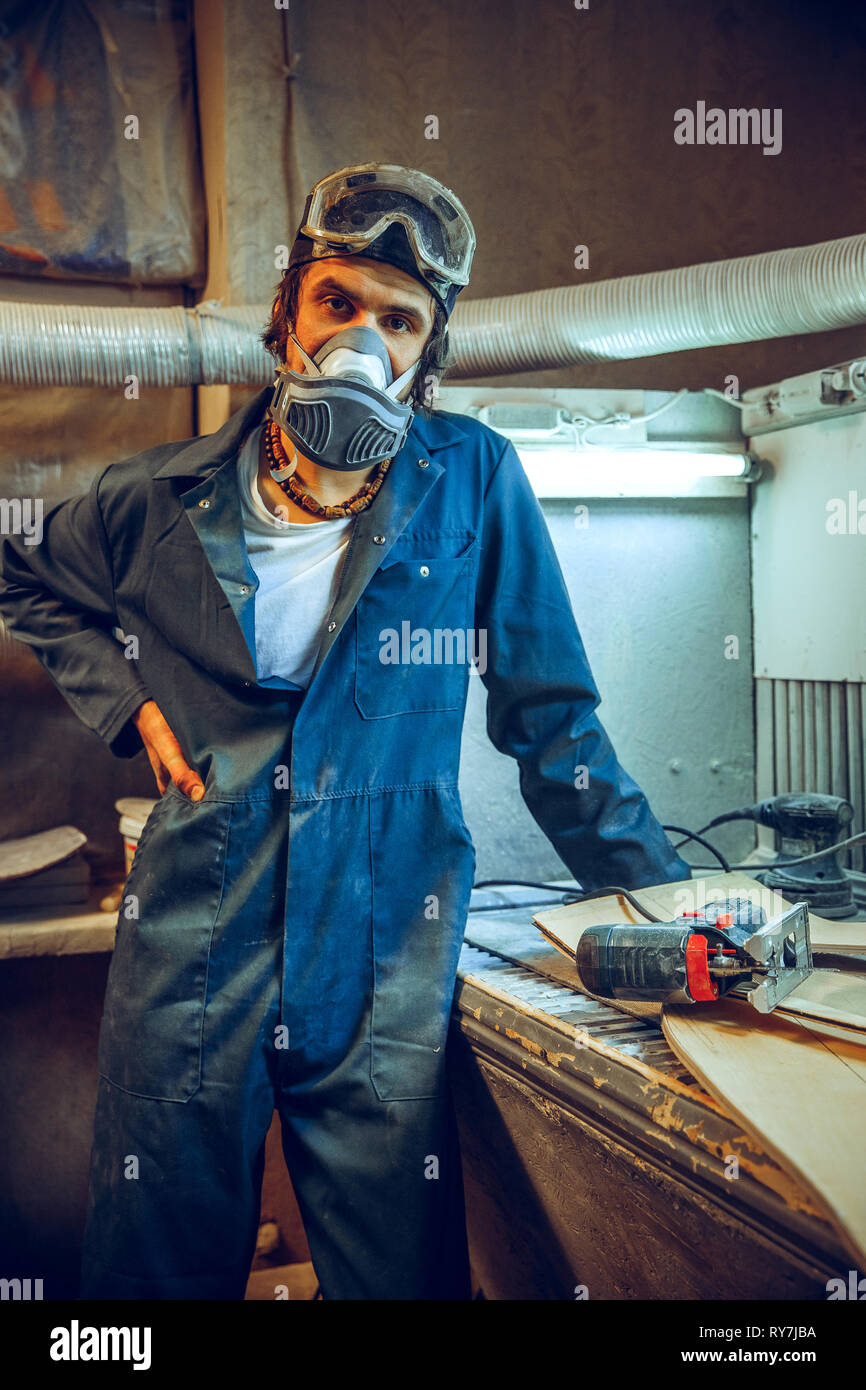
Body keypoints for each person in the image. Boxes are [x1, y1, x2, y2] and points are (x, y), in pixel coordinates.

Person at [0, 163, 691, 1300]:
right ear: (288, 316)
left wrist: (664, 920)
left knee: (395, 1279)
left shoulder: (469, 483)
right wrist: (128, 709)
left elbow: (551, 723)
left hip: (383, 948)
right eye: (339, 303)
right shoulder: (153, 495)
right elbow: (27, 580)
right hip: (190, 941)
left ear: (428, 353)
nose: (362, 340)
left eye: (398, 319)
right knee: (149, 1285)